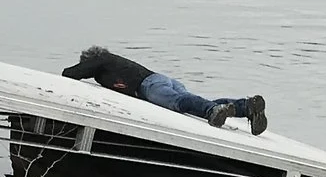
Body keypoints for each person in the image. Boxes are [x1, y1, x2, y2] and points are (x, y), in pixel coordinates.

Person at [61, 44, 267, 135]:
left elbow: (70, 73)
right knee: (189, 98)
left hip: (149, 85)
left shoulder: (102, 60)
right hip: (160, 80)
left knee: (180, 104)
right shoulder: (114, 63)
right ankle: (244, 107)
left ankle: (211, 112)